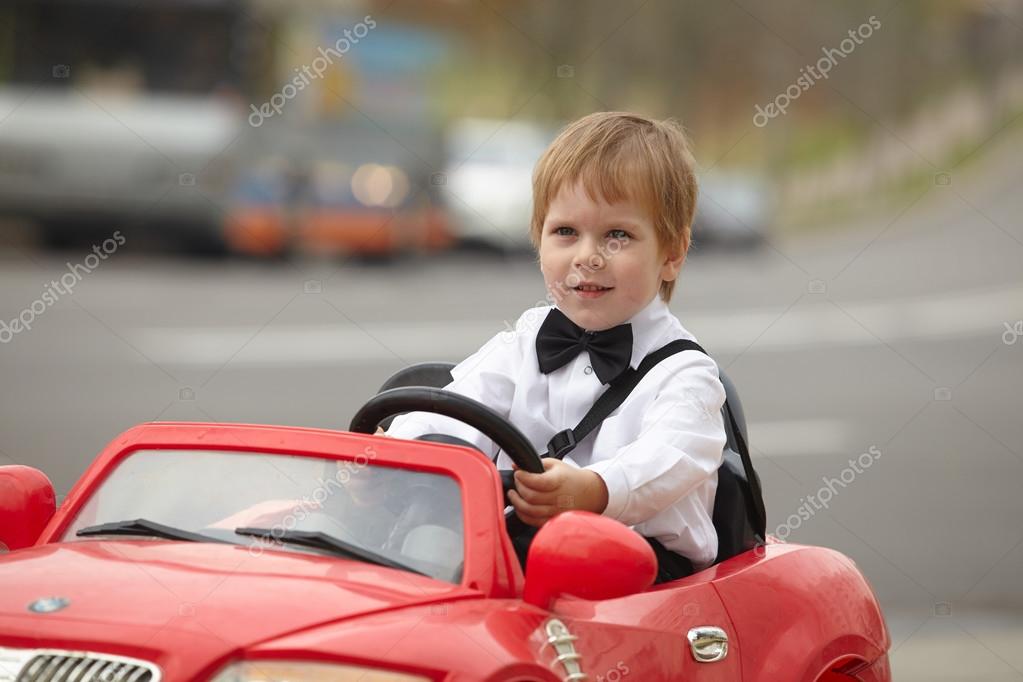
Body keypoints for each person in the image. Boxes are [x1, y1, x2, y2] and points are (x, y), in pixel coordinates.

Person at [384, 111, 727, 582]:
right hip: (529, 544)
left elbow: (672, 456)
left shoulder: (686, 374)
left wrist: (595, 489)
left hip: (645, 571)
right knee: (415, 537)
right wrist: (398, 456)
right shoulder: (525, 339)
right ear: (538, 240)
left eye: (617, 235)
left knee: (532, 556)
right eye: (566, 232)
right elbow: (458, 403)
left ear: (672, 253)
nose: (587, 256)